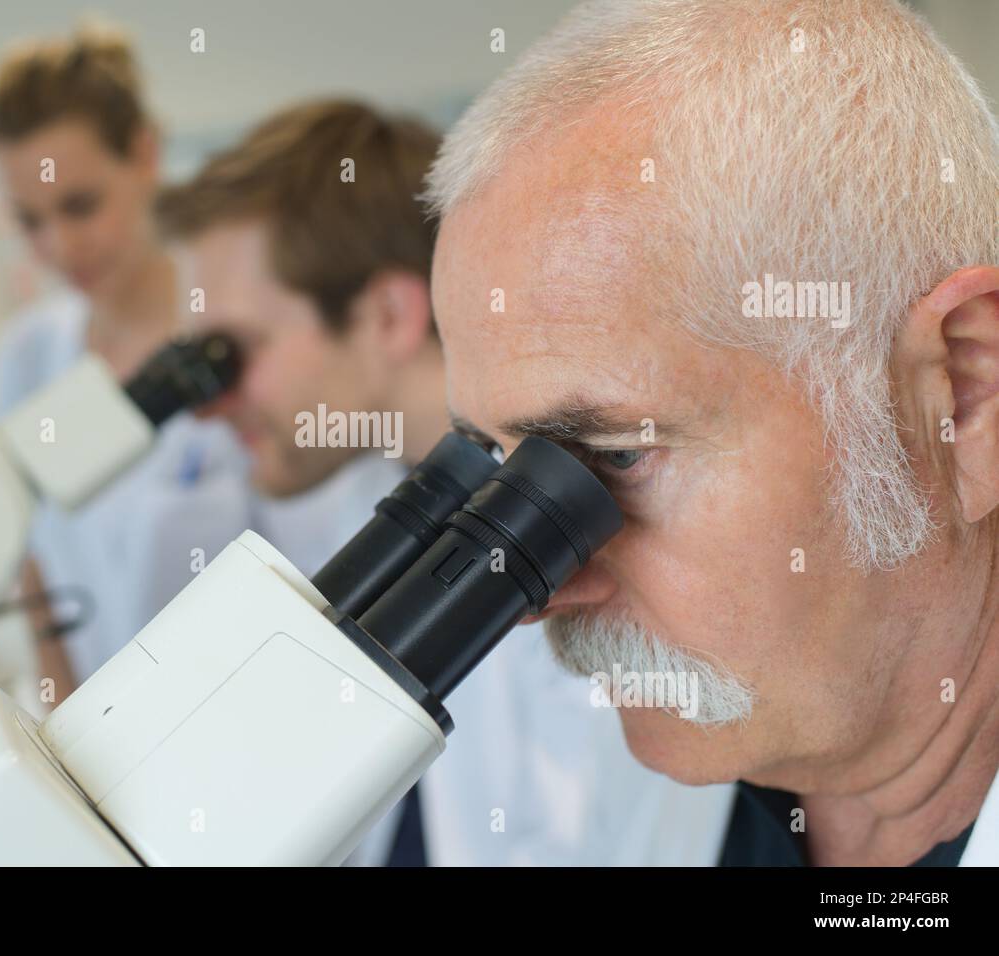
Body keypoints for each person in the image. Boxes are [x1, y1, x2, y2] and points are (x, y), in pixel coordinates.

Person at [424, 0, 999, 865]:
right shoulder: (602, 794)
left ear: (962, 397)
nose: (538, 596)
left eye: (615, 458)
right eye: (502, 467)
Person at [155, 98, 729, 865]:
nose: (211, 404)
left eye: (234, 351)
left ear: (388, 315)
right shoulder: (376, 510)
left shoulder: (581, 548)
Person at [0, 26, 251, 699]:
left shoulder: (233, 336)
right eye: (30, 219)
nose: (61, 245)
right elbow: (34, 573)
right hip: (95, 739)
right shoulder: (28, 358)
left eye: (80, 205)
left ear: (145, 154)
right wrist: (63, 737)